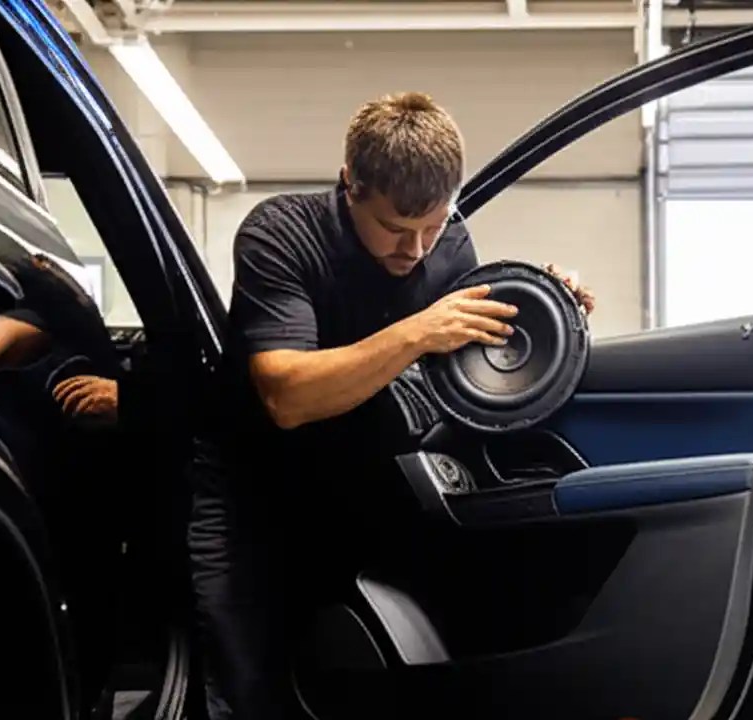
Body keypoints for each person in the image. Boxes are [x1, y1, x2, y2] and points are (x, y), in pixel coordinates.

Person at [188, 91, 594, 720]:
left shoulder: (452, 247)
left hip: (354, 492)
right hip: (250, 499)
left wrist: (550, 307)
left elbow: (475, 375)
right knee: (243, 685)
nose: (417, 250)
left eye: (433, 225)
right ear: (350, 184)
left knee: (362, 677)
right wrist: (417, 332)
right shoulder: (280, 235)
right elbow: (287, 396)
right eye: (396, 229)